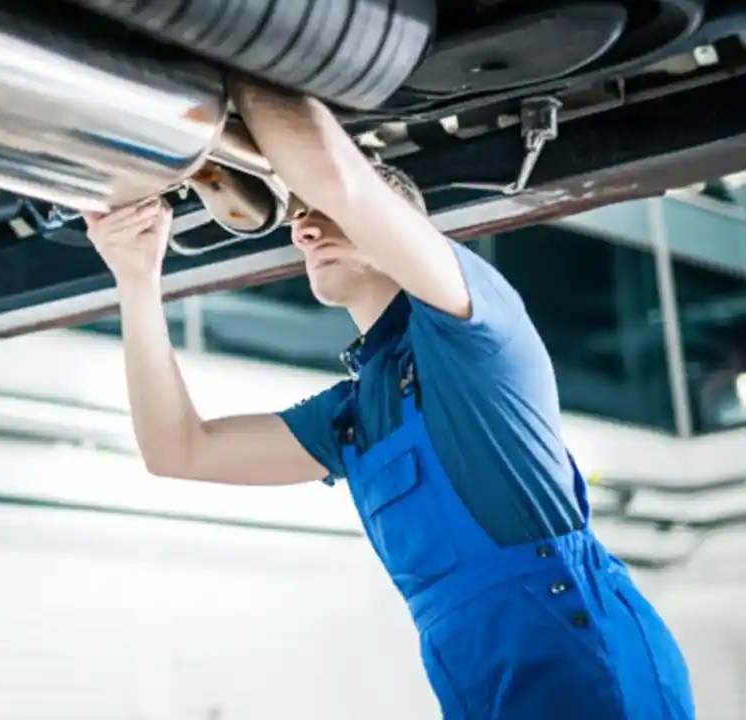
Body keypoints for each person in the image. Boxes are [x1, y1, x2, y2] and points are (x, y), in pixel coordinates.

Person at [83, 86, 694, 719]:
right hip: (474, 668)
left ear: (394, 229)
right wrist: (135, 277)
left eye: (320, 209)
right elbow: (177, 449)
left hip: (576, 646)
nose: (302, 225)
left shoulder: (472, 326)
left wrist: (237, 63)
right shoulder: (355, 413)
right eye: (298, 217)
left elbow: (334, 168)